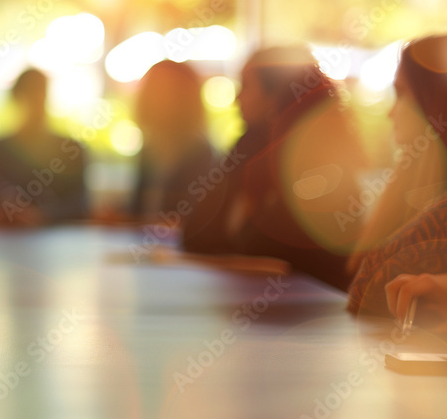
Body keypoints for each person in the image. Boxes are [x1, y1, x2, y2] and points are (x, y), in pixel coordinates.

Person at [184, 46, 367, 290]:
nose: (236, 98)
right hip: (251, 296)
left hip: (306, 303)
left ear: (277, 95)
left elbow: (268, 252)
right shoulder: (248, 148)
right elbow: (195, 231)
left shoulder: (320, 166)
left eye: (246, 86)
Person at [349, 36, 447, 315]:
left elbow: (365, 291)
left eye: (402, 93)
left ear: (437, 99)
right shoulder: (407, 181)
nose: (391, 112)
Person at [0, 68, 89, 227]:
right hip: (3, 237)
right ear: (16, 98)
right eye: (30, 94)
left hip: (55, 239)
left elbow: (81, 207)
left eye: (41, 94)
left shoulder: (70, 151)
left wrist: (42, 216)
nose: (36, 102)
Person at [129, 60, 215, 224]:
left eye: (164, 90)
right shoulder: (149, 151)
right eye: (152, 89)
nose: (155, 98)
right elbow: (139, 211)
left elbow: (194, 218)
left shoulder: (201, 154)